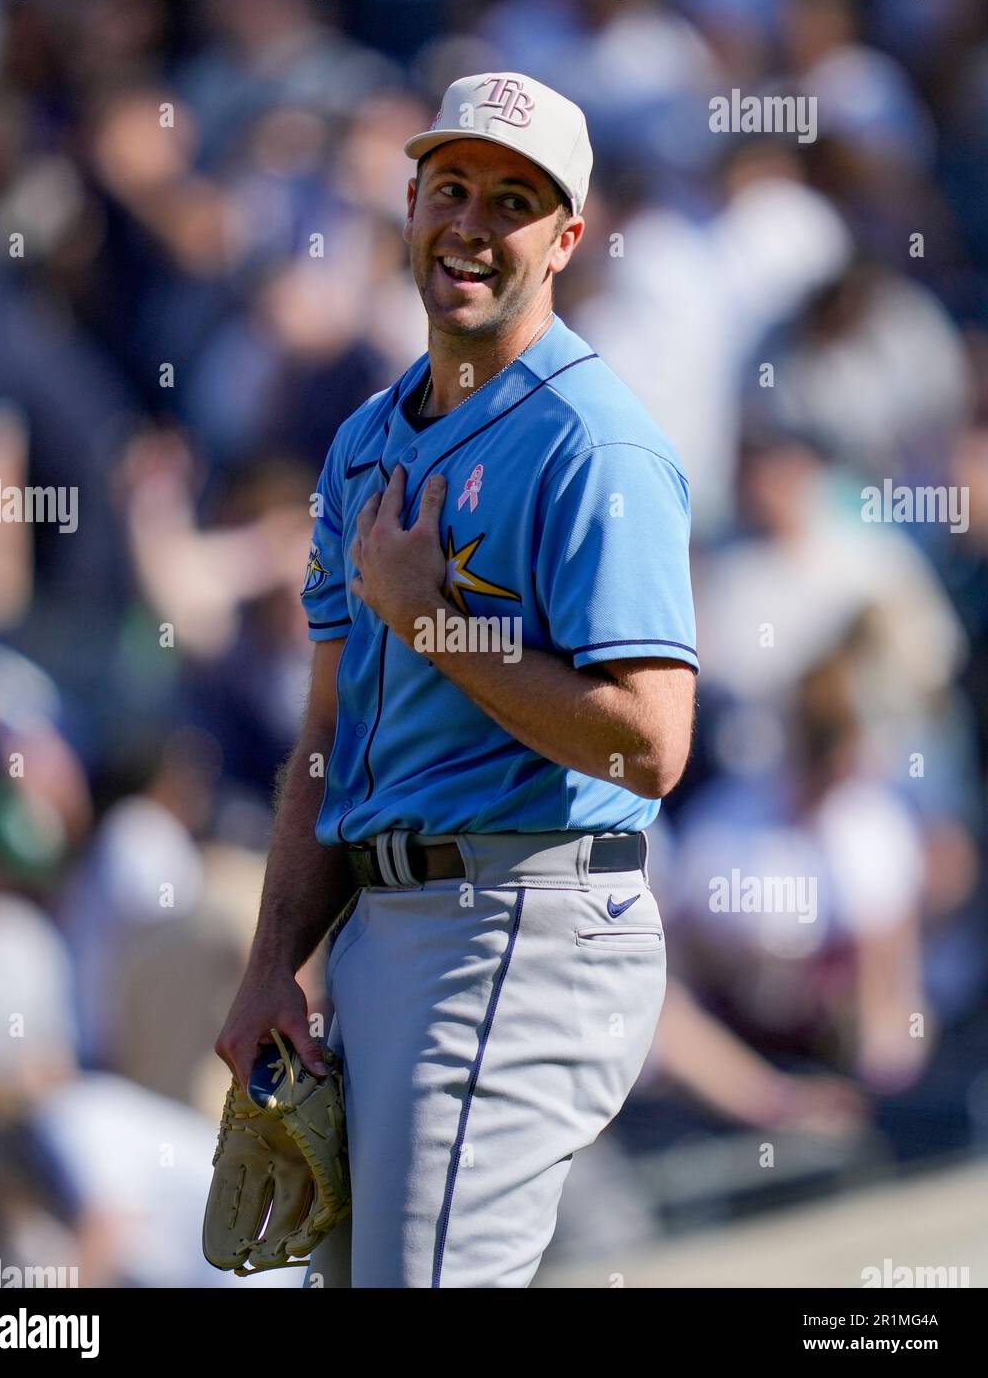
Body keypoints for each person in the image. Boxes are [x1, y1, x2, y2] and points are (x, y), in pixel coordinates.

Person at [214, 72, 698, 1288]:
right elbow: (328, 728)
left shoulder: (595, 442)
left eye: (513, 201)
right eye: (450, 188)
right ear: (410, 204)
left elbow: (648, 740)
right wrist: (275, 958)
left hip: (519, 922)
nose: (471, 225)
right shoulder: (364, 439)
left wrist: (430, 619)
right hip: (382, 933)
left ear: (565, 238)